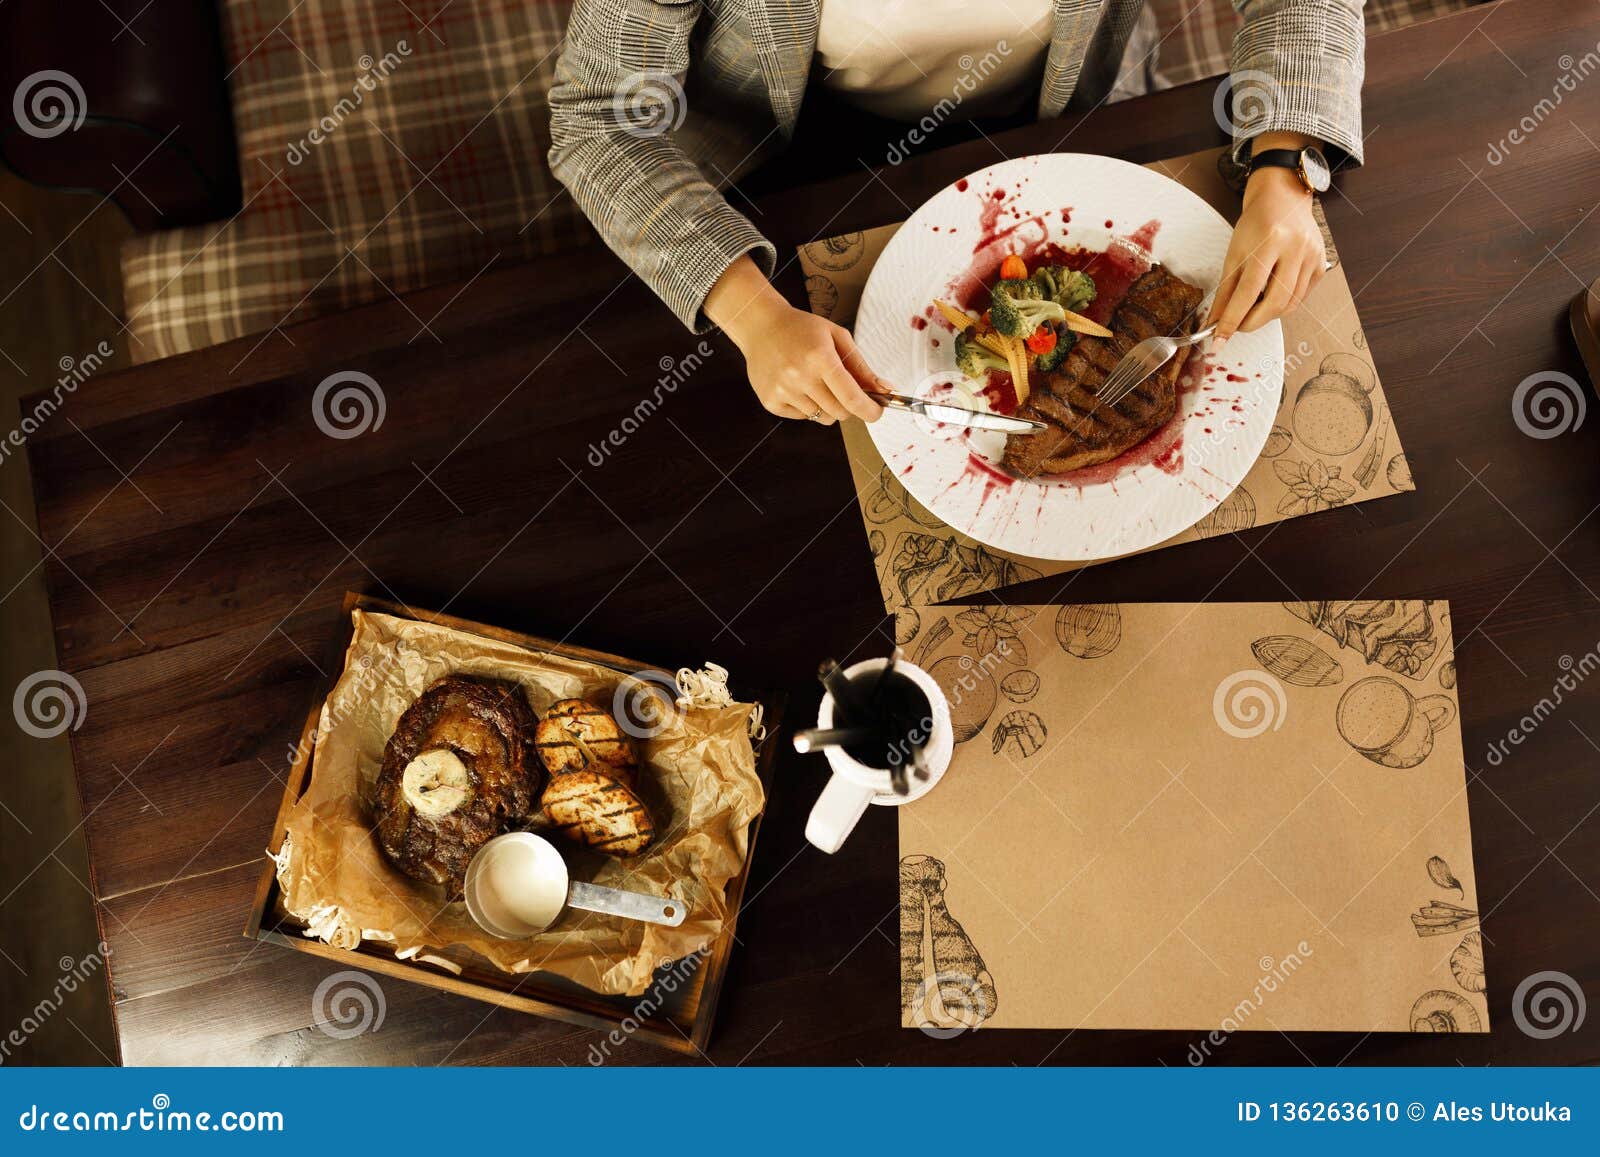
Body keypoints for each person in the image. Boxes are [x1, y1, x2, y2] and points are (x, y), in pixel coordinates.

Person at [550, 1, 1363, 426]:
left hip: (1070, 109)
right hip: (797, 167)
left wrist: (1286, 165)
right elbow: (600, 118)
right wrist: (755, 315)